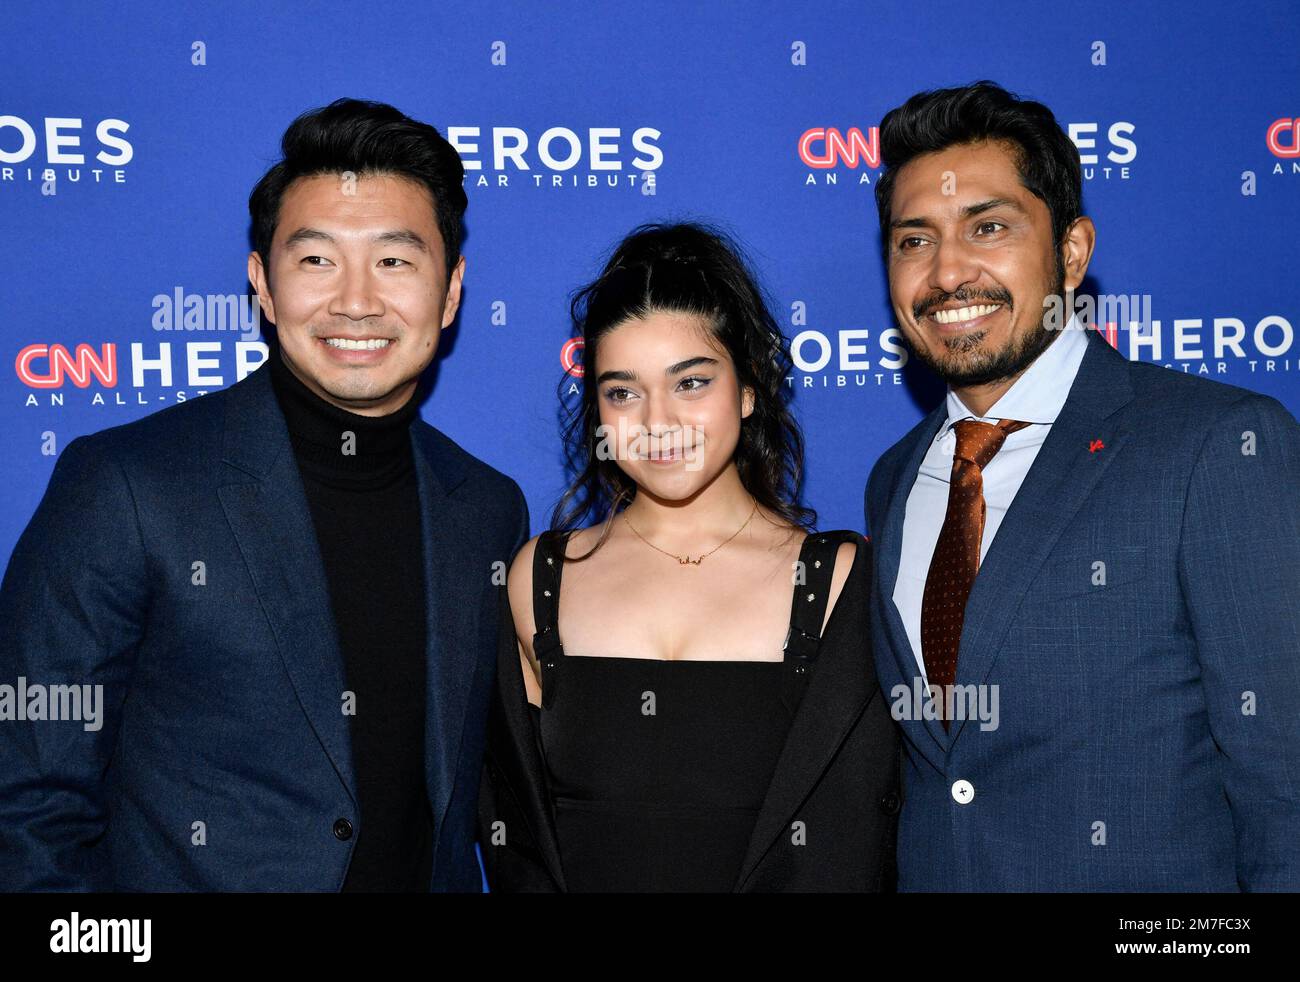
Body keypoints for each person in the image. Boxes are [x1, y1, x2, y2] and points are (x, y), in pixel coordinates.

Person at [0, 98, 528, 891]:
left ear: (451, 291)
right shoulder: (127, 485)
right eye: (317, 260)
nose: (356, 301)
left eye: (395, 260)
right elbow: (28, 799)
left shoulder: (487, 508)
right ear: (263, 286)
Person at [865, 81, 1300, 891]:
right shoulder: (895, 477)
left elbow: (1287, 786)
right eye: (913, 241)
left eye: (988, 228)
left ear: (1071, 251)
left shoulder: (1218, 446)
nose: (948, 272)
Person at [478, 223, 900, 892]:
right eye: (622, 392)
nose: (657, 420)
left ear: (750, 388)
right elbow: (519, 844)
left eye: (692, 383)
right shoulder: (540, 579)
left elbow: (854, 844)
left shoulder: (838, 581)